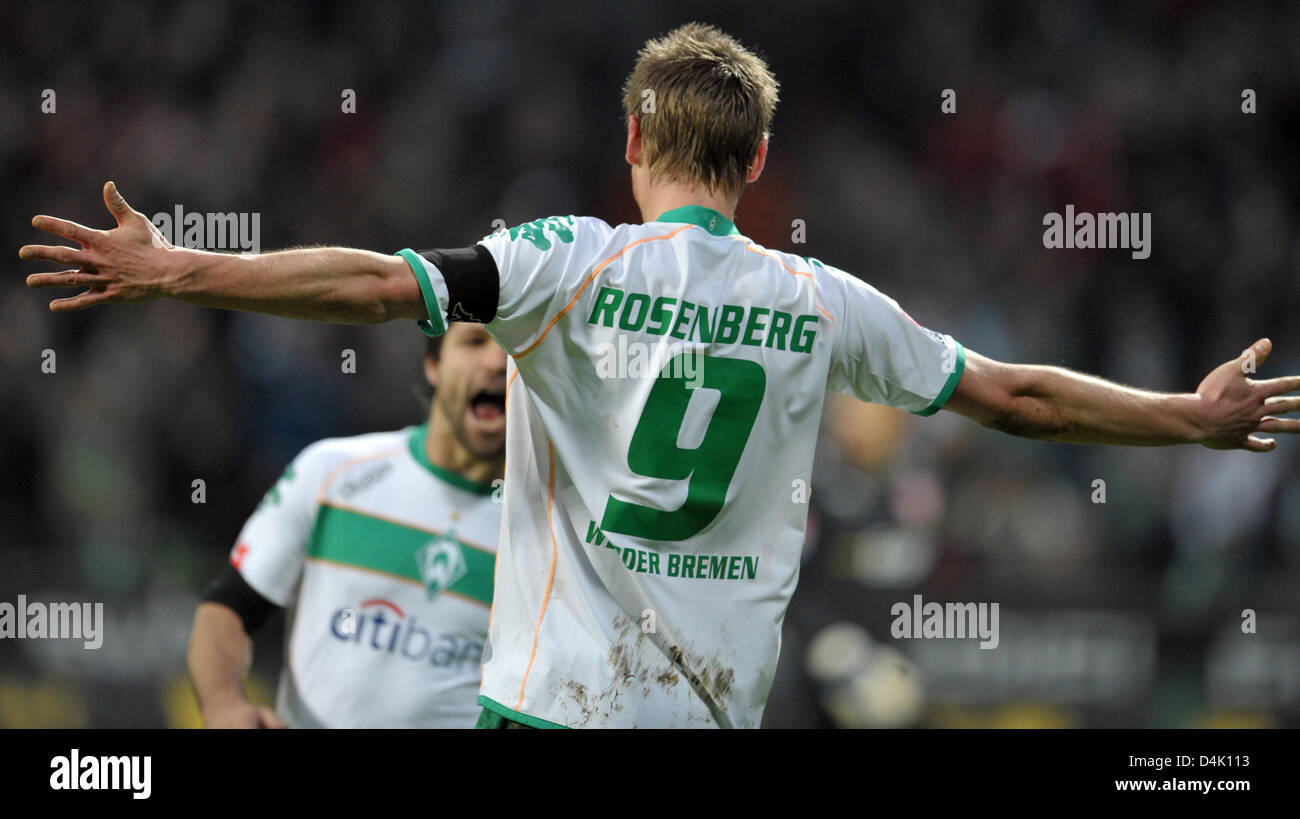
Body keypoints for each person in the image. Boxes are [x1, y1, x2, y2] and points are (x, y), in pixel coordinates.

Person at [20, 23, 1300, 729]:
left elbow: (371, 282)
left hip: (548, 712)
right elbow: (1016, 396)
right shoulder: (820, 301)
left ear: (630, 140)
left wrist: (185, 267)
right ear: (757, 160)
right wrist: (1184, 419)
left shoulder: (562, 262)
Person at [186, 326, 506, 728]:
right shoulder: (332, 474)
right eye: (475, 342)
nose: (496, 361)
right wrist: (224, 706)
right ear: (432, 363)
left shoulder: (555, 533)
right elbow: (230, 606)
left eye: (514, 348)